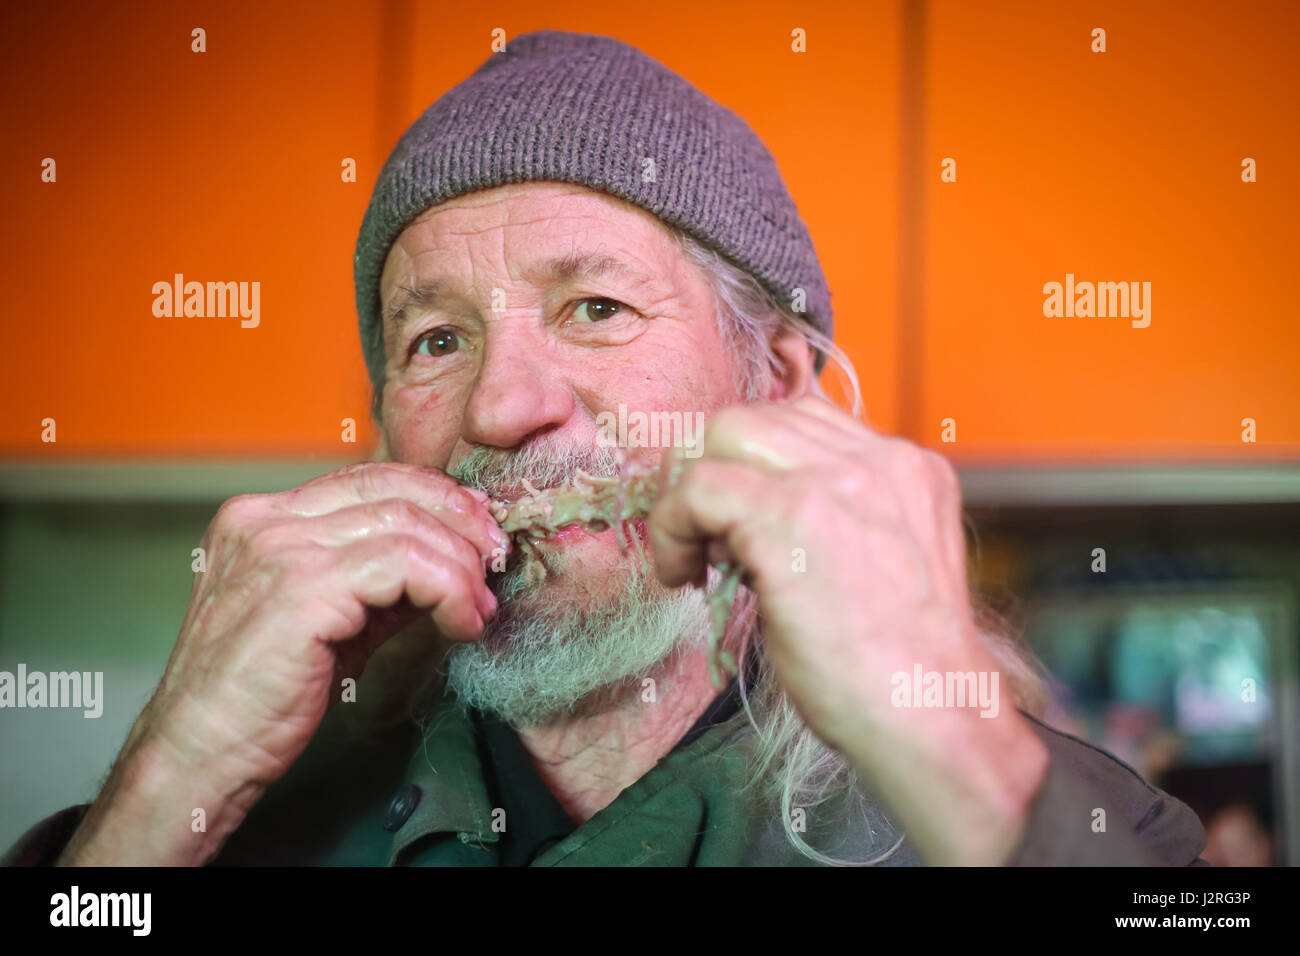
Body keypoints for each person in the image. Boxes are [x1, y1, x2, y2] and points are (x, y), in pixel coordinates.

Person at [4, 30, 1207, 867]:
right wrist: (168, 780)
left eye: (596, 308)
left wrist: (956, 757)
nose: (500, 408)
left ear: (777, 382)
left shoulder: (1087, 830)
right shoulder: (233, 822)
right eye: (434, 339)